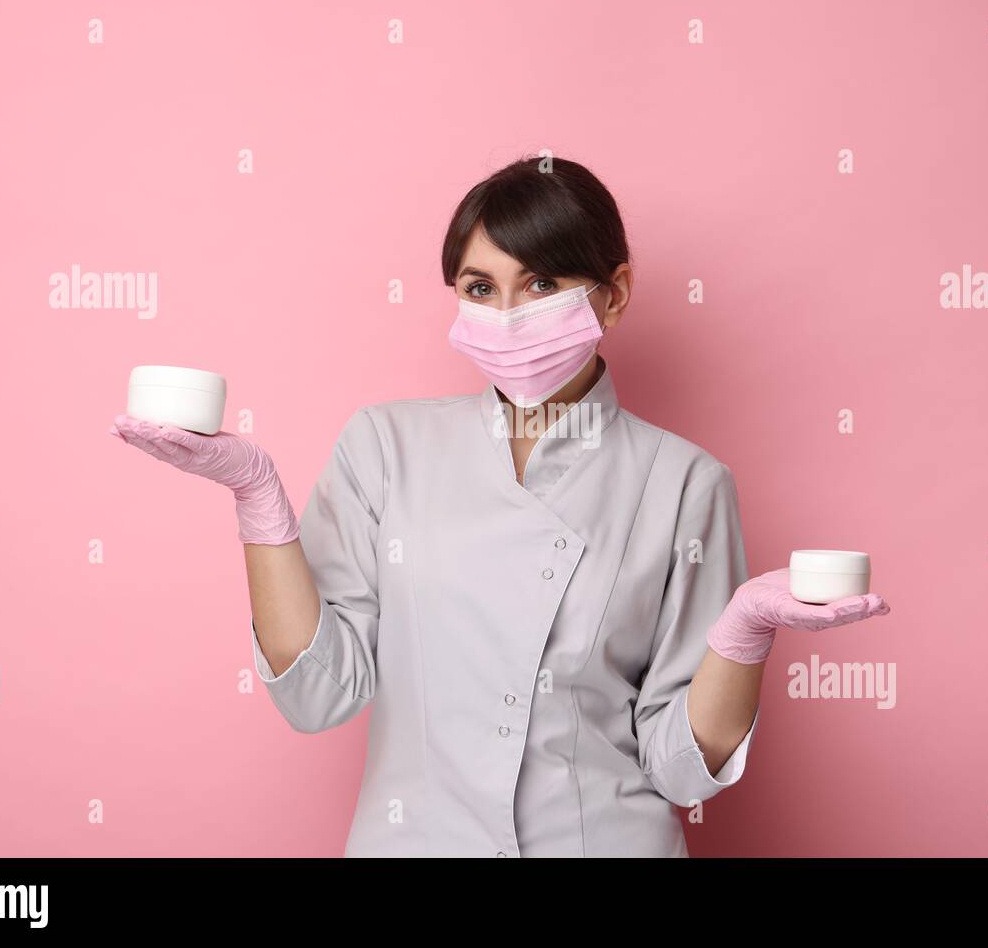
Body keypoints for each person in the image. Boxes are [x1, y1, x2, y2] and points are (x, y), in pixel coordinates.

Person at [109, 156, 890, 857]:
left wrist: (743, 630)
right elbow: (318, 694)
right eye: (482, 288)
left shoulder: (686, 481)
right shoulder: (386, 446)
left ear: (612, 295)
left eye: (542, 284)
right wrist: (258, 496)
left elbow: (683, 770)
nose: (509, 315)